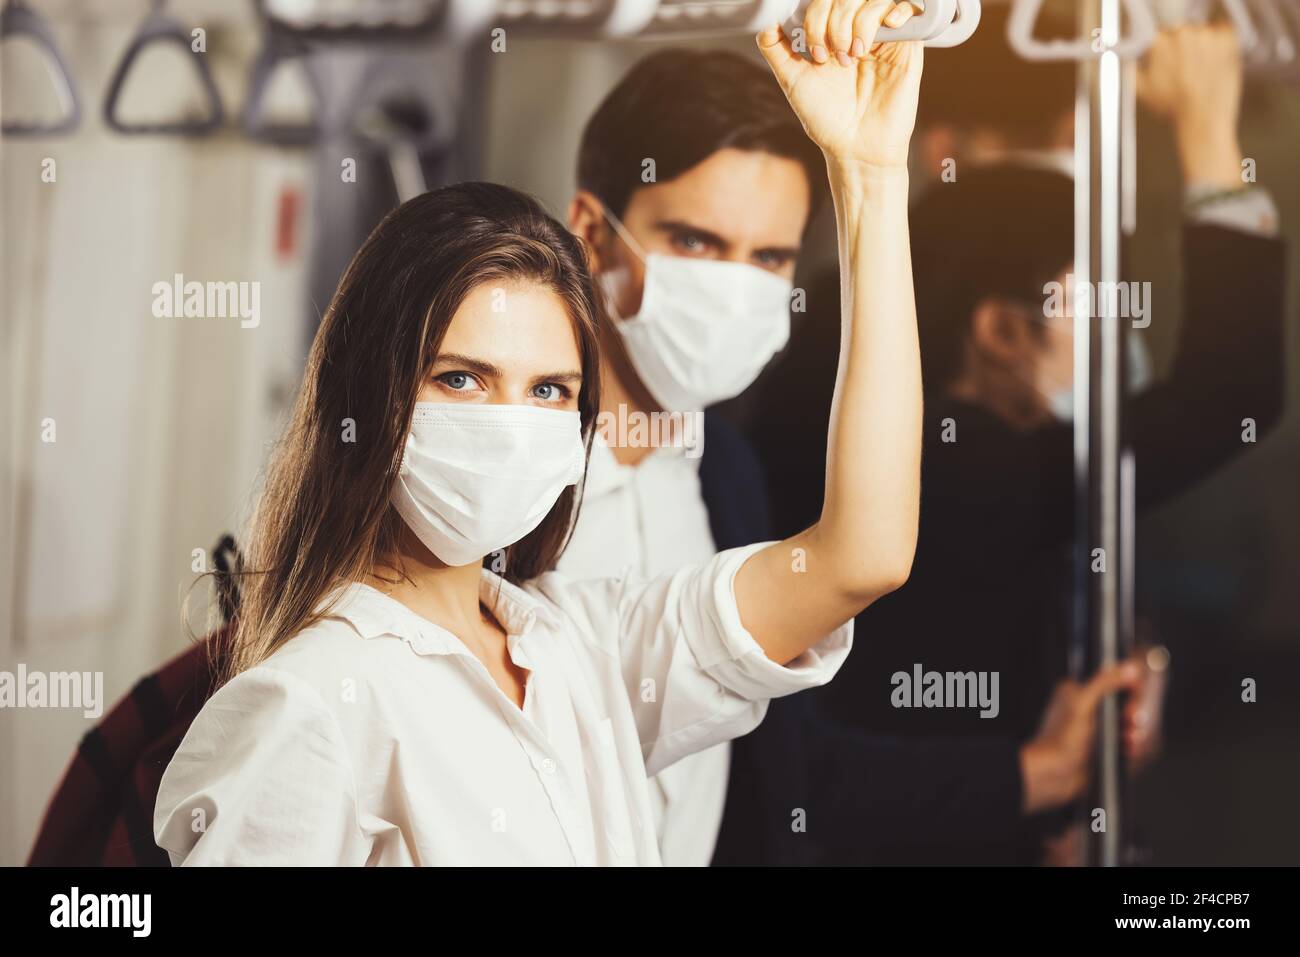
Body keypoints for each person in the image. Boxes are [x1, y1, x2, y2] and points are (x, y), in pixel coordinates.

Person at [152, 0, 928, 866]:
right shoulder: (308, 703)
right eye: (460, 377)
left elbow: (861, 555)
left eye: (550, 390)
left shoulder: (578, 650)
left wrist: (871, 177)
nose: (510, 424)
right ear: (373, 397)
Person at [562, 44, 1147, 867]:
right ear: (593, 234)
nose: (735, 287)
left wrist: (1034, 773)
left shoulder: (724, 469)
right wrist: (872, 179)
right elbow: (861, 557)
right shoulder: (507, 478)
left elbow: (789, 762)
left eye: (769, 258)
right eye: (695, 241)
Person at [753, 23, 1288, 863]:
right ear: (1003, 330)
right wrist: (1208, 133)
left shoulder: (846, 359)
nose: (1114, 339)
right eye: (1090, 307)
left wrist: (1126, 654)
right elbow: (1231, 393)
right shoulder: (968, 468)